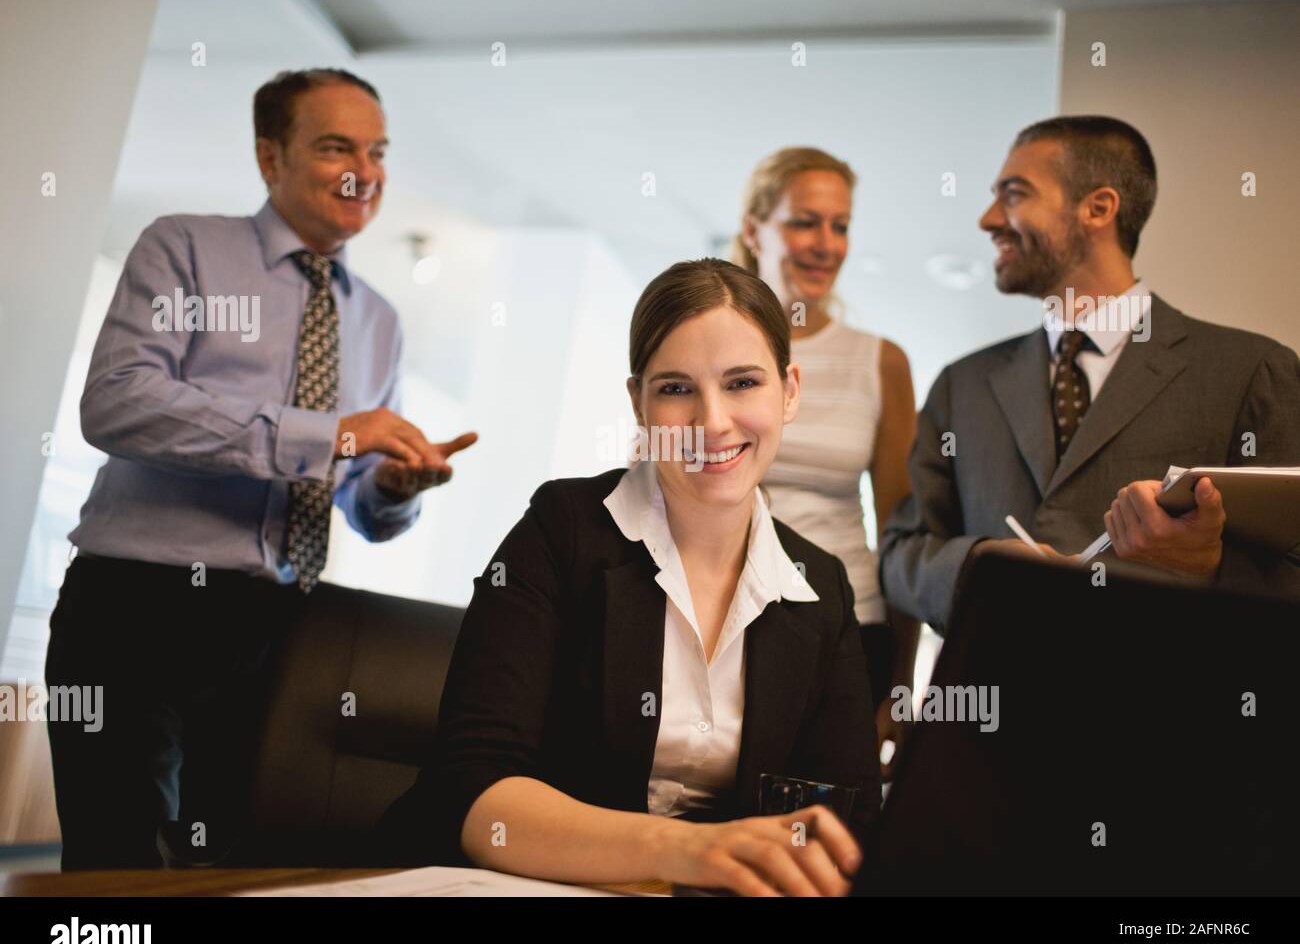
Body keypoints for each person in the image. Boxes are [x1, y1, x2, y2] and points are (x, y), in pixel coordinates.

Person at [45, 68, 477, 869]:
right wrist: (334, 432)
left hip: (284, 624)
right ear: (269, 157)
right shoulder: (183, 246)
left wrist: (389, 486)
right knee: (119, 859)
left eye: (378, 150)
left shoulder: (379, 320)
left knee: (242, 864)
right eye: (336, 146)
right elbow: (117, 401)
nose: (366, 170)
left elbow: (352, 493)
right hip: (136, 606)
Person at [381, 259, 878, 896]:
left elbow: (848, 819)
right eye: (675, 389)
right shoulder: (561, 529)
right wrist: (690, 850)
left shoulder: (821, 587)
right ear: (637, 403)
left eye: (743, 383)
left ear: (788, 392)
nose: (713, 422)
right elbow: (470, 787)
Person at [880, 115, 1300, 636]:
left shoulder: (1251, 371)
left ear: (1098, 208)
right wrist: (978, 564)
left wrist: (1206, 568)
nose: (988, 219)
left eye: (1013, 194)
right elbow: (901, 552)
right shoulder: (960, 383)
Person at [734, 147, 919, 779]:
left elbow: (902, 531)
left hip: (845, 628)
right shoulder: (701, 345)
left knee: (825, 832)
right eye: (803, 222)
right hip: (718, 618)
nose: (825, 244)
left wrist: (898, 684)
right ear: (754, 228)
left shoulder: (881, 362)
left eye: (839, 225)